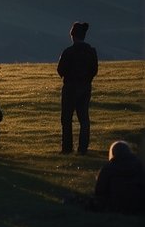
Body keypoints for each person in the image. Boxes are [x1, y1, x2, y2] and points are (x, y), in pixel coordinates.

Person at [57, 21, 98, 154]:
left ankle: (67, 148)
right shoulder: (91, 52)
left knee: (66, 119)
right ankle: (83, 149)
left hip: (69, 88)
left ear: (73, 36)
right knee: (84, 119)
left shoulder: (68, 52)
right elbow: (94, 70)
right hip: (85, 88)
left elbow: (60, 70)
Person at [92, 141, 145, 213]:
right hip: (137, 205)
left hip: (114, 205)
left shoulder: (108, 168)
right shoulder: (138, 166)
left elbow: (99, 190)